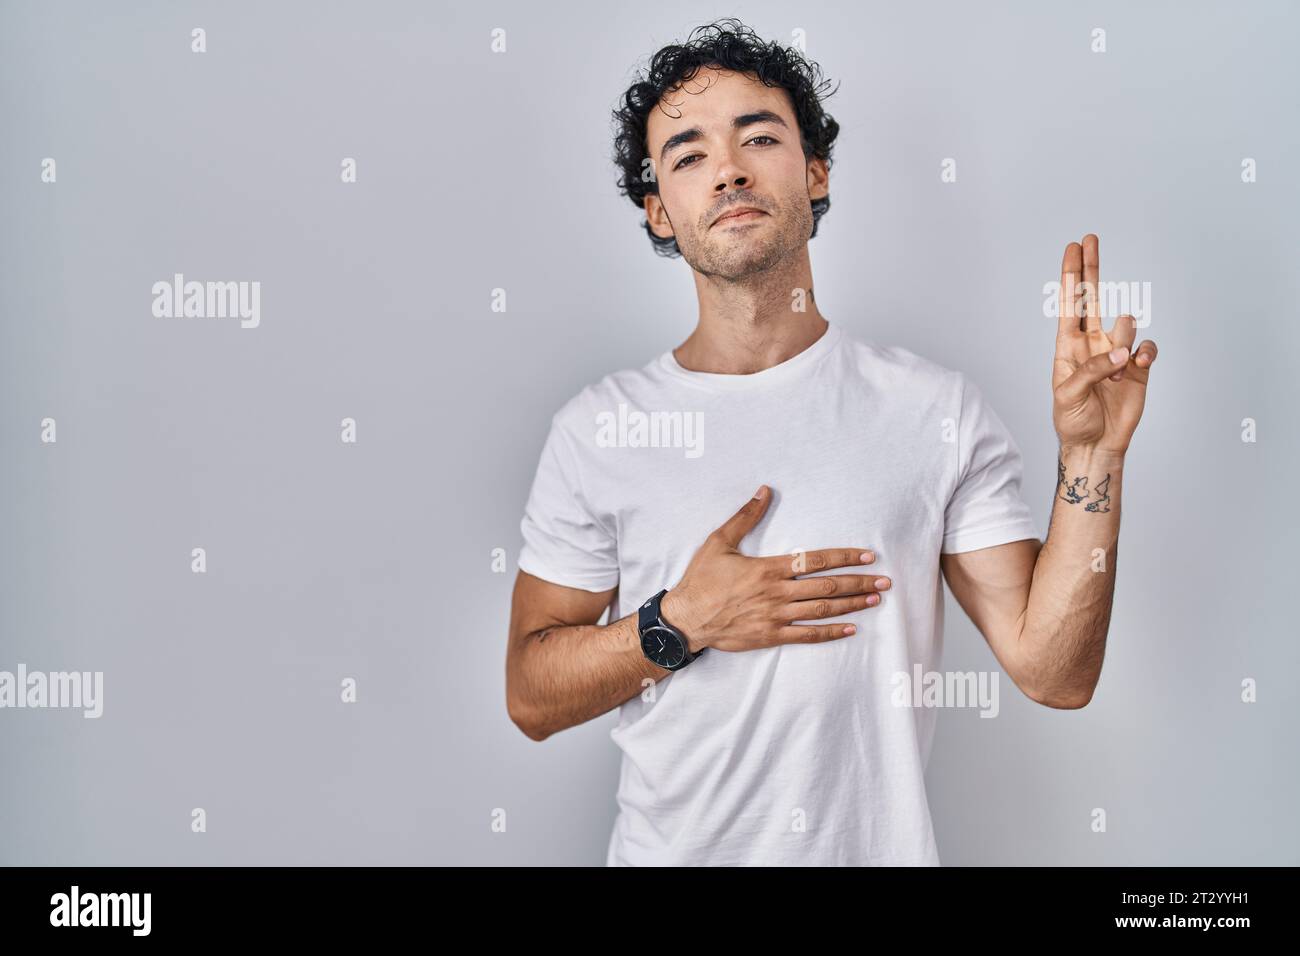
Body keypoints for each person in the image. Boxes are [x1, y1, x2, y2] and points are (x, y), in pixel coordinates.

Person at [505, 19, 1159, 866]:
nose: (730, 168)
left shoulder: (935, 410)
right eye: (689, 153)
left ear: (814, 173)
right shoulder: (599, 429)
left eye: (760, 136)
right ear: (659, 211)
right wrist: (678, 623)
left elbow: (1056, 673)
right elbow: (530, 695)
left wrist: (1094, 459)